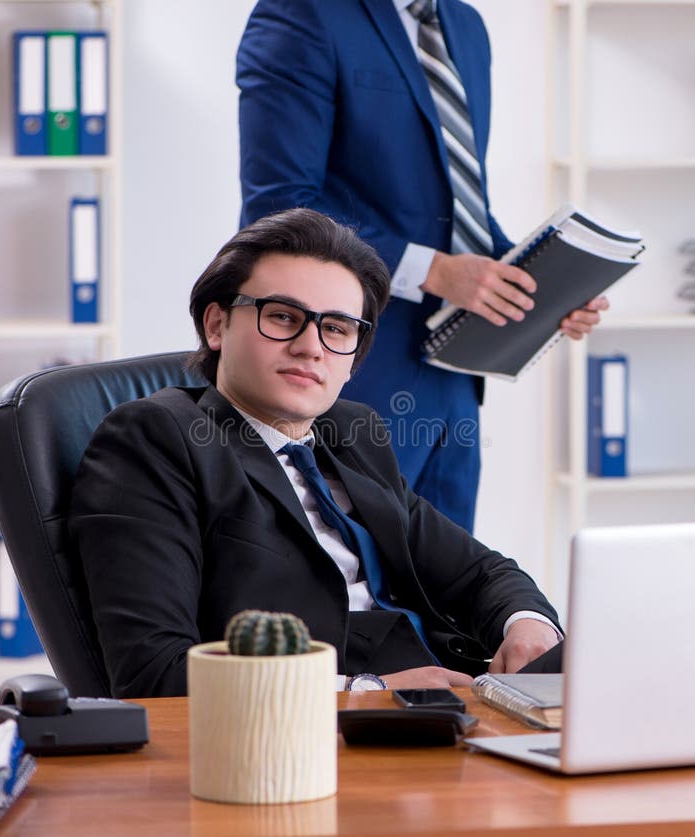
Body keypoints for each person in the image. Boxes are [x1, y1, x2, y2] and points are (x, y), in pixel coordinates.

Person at [69, 208, 562, 698]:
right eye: (283, 317)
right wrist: (365, 692)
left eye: (337, 329)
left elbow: (479, 572)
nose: (312, 347)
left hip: (453, 701)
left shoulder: (354, 434)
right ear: (216, 325)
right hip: (304, 743)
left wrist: (528, 624)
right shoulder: (155, 438)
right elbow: (155, 673)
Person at [236, 0, 607, 531]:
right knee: (350, 585)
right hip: (352, 362)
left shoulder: (465, 26)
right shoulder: (303, 13)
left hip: (455, 370)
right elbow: (278, 206)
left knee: (451, 593)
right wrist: (434, 271)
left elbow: (455, 206)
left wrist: (542, 284)